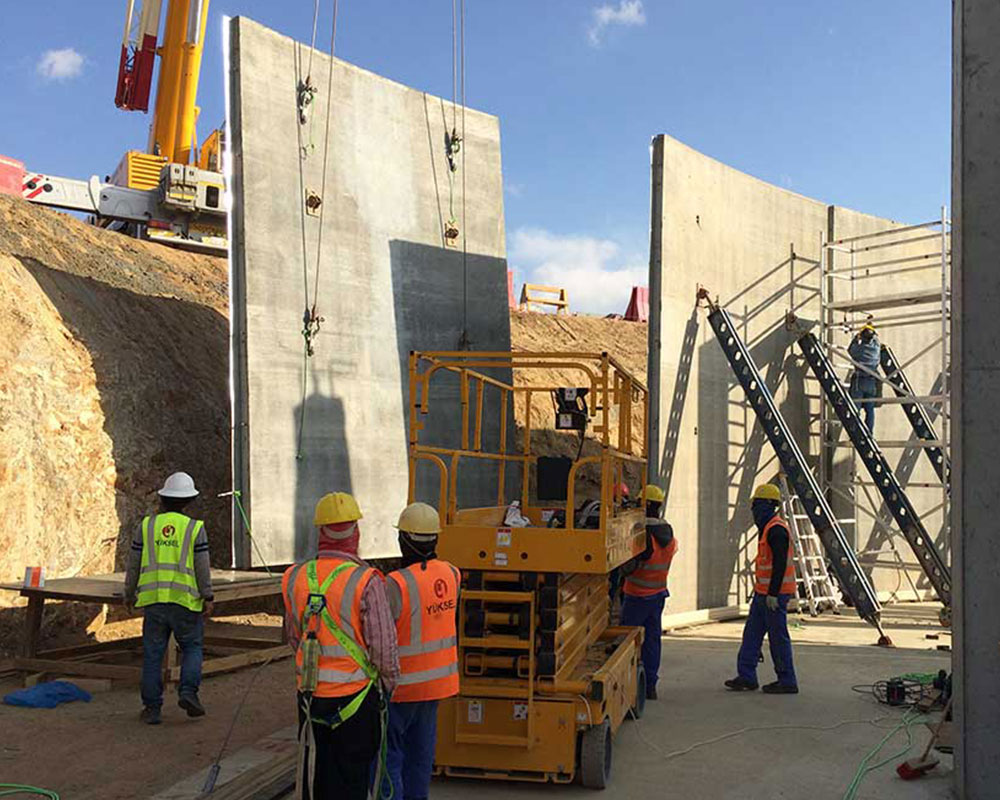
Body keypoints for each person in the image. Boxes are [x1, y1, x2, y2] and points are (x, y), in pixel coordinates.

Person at [282, 492, 399, 800]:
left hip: (310, 698)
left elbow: (294, 636)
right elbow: (383, 648)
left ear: (320, 532)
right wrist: (388, 686)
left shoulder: (294, 578)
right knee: (351, 782)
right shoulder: (367, 581)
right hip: (355, 700)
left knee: (315, 778)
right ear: (356, 532)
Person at [379, 502, 460, 800]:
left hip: (401, 687)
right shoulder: (452, 574)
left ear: (403, 540)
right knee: (420, 756)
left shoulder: (396, 583)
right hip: (437, 684)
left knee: (389, 757)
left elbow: (381, 635)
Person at [123, 471, 214, 725]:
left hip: (154, 601)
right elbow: (202, 567)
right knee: (192, 647)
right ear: (189, 500)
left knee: (153, 654)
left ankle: (152, 708)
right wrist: (207, 595)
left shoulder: (147, 526)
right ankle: (188, 692)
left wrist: (128, 593)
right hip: (186, 602)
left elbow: (133, 563)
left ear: (163, 498)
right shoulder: (195, 528)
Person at [725, 483, 799, 694]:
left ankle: (787, 680)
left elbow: (779, 564)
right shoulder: (767, 528)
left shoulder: (776, 529)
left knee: (777, 638)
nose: (754, 511)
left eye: (756, 505)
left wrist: (773, 593)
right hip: (763, 594)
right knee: (752, 635)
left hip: (774, 596)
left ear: (767, 505)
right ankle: (746, 676)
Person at [620, 518, 678, 700]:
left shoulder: (643, 539)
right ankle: (650, 686)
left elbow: (627, 567)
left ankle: (626, 686)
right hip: (658, 595)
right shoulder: (670, 539)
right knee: (652, 641)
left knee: (627, 642)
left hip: (636, 597)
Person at [848, 321, 882, 433]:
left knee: (855, 409)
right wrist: (870, 327)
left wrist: (856, 337)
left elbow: (850, 350)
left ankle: (856, 431)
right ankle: (869, 433)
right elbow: (876, 340)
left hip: (860, 380)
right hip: (871, 382)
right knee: (870, 410)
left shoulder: (859, 349)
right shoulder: (876, 349)